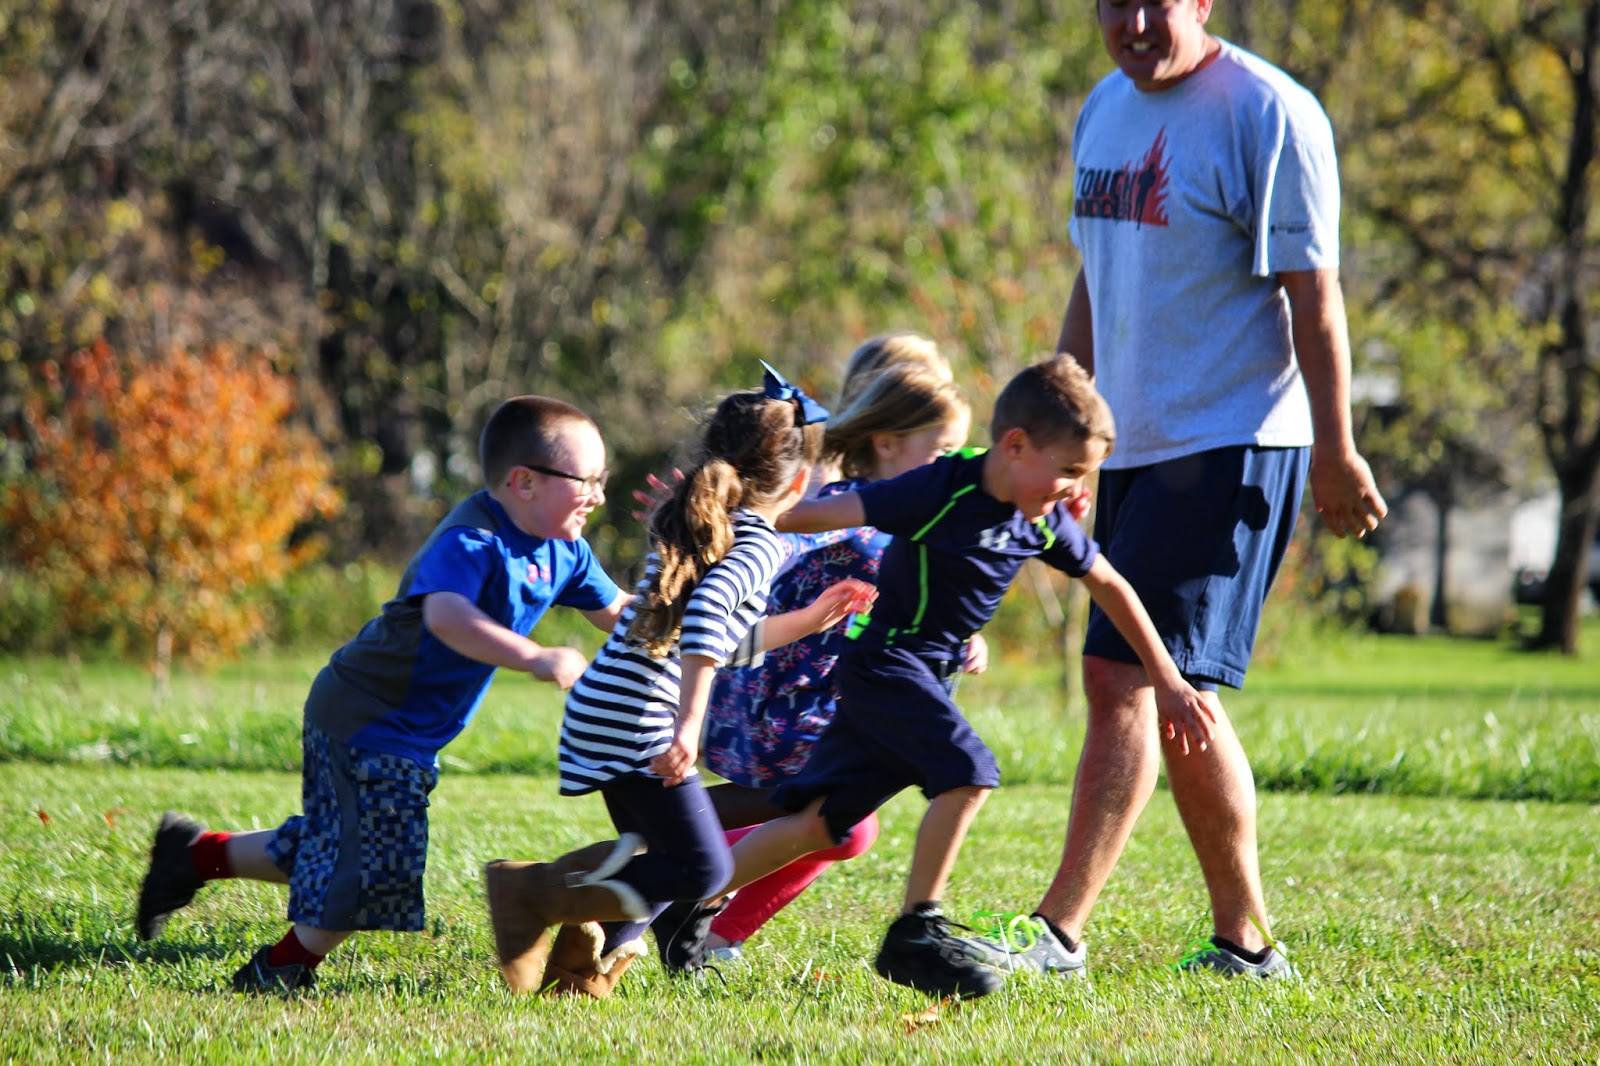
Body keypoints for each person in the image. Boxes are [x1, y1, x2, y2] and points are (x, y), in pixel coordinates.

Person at [1004, 0, 1388, 981]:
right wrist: (1066, 439)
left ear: (1203, 1)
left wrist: (1339, 451)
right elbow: (1094, 277)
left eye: (1156, 2)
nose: (1132, 21)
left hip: (1230, 439)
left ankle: (1056, 931)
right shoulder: (1103, 107)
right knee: (1172, 691)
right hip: (1126, 444)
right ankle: (1245, 941)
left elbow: (1313, 297)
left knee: (1121, 677)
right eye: (1112, 3)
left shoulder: (1268, 113)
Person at [664, 356, 1216, 999]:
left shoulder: (1039, 513)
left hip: (914, 674)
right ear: (1014, 446)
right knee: (969, 771)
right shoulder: (938, 491)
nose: (1072, 491)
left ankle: (683, 897)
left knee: (825, 825)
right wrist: (709, 515)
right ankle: (916, 931)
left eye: (1082, 476)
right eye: (1067, 472)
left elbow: (1111, 585)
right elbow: (807, 517)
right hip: (887, 665)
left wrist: (1168, 678)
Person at [133, 395, 632, 993]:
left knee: (339, 840)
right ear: (523, 482)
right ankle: (282, 968)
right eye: (586, 479)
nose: (599, 494)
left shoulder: (565, 550)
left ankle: (193, 855)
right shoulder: (472, 541)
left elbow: (622, 613)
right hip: (365, 716)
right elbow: (448, 617)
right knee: (379, 860)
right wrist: (535, 656)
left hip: (402, 730)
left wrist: (702, 618)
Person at [482, 365, 877, 999]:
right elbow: (706, 620)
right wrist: (689, 726)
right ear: (800, 483)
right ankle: (534, 895)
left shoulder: (696, 525)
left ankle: (578, 967)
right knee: (703, 868)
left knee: (655, 854)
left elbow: (721, 636)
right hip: (640, 723)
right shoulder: (756, 545)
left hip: (603, 711)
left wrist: (805, 620)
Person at [661, 360, 975, 971]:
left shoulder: (891, 516)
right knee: (842, 826)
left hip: (825, 708)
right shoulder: (852, 520)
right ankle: (680, 898)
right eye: (942, 449)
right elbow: (776, 546)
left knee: (838, 827)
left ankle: (692, 906)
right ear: (887, 443)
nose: (950, 464)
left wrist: (960, 640)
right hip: (786, 707)